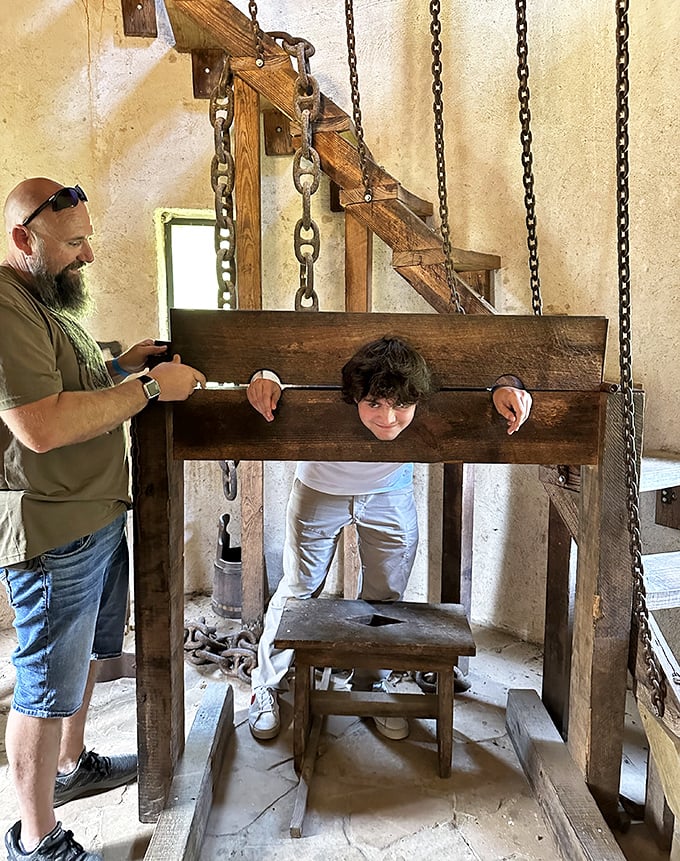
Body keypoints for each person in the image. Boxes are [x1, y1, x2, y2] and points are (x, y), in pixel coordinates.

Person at [0, 177, 207, 861]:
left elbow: (69, 386)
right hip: (54, 529)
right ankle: (37, 837)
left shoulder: (41, 301)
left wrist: (121, 364)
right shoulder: (4, 305)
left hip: (93, 517)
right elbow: (39, 423)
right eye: (74, 242)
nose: (87, 255)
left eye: (88, 237)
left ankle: (72, 762)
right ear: (24, 240)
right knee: (41, 684)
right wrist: (145, 389)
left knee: (87, 656)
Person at [246, 336, 532, 742]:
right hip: (318, 490)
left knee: (384, 596)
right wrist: (263, 376)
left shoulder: (415, 405)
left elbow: (494, 377)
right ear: (354, 397)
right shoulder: (340, 394)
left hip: (390, 492)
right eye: (374, 404)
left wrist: (504, 385)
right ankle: (265, 685)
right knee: (298, 590)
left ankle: (369, 685)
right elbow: (274, 365)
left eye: (402, 405)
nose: (388, 419)